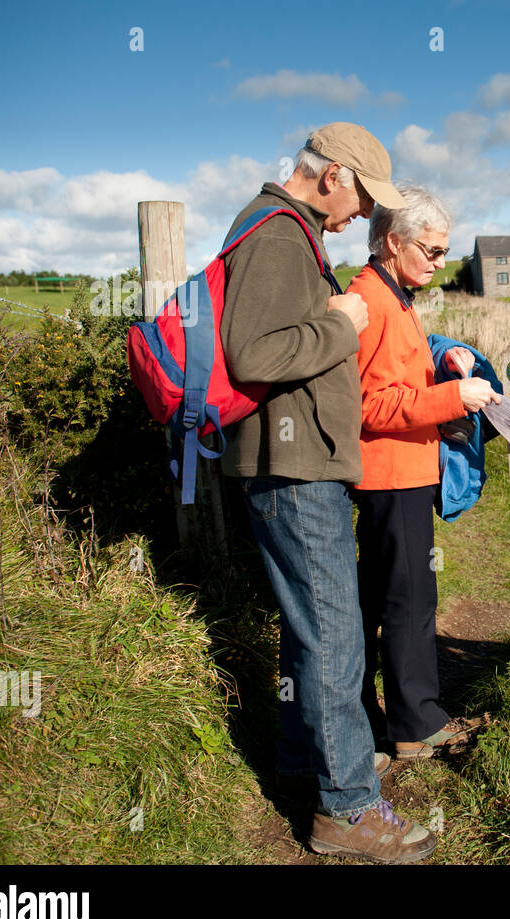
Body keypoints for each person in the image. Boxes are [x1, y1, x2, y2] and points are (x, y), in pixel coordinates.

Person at [219, 123, 436, 863]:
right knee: (336, 633)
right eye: (363, 197)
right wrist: (341, 324)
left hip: (296, 464)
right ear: (332, 175)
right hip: (293, 468)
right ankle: (346, 808)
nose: (362, 215)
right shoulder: (279, 235)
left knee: (310, 626)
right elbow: (255, 353)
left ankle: (299, 759)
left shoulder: (286, 230)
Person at [346, 185, 500, 760]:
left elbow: (401, 368)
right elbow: (370, 405)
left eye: (443, 251)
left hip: (403, 469)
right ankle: (415, 724)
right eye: (432, 251)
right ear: (392, 241)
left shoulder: (392, 294)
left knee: (395, 594)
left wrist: (443, 359)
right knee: (408, 600)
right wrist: (454, 397)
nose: (441, 262)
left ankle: (386, 719)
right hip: (391, 472)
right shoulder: (375, 300)